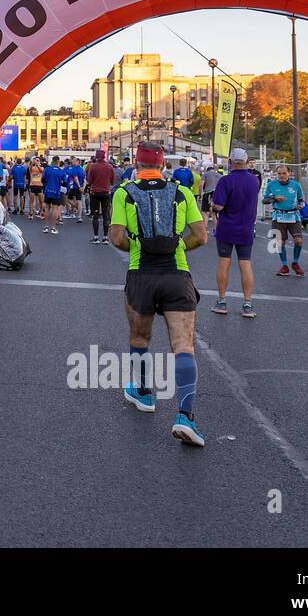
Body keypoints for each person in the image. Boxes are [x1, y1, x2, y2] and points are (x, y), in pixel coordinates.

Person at [110, 142, 209, 447]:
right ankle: (185, 417)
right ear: (164, 165)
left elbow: (116, 237)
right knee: (183, 345)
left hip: (141, 274)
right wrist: (179, 246)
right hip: (176, 274)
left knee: (140, 338)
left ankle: (142, 392)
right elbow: (201, 236)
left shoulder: (124, 192)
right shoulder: (182, 192)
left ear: (135, 164)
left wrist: (137, 247)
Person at [210, 147, 260, 319]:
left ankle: (222, 301)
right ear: (246, 161)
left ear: (230, 162)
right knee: (245, 264)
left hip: (227, 227)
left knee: (224, 263)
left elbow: (219, 206)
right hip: (246, 227)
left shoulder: (225, 180)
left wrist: (212, 204)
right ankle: (247, 304)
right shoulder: (254, 180)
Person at [263, 164, 306, 277]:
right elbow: (264, 200)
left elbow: (302, 200)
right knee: (280, 242)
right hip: (278, 216)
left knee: (298, 241)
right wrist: (274, 198)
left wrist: (301, 205)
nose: (281, 176)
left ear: (289, 174)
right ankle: (285, 265)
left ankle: (295, 263)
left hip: (293, 216)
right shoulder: (271, 185)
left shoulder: (296, 185)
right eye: (279, 173)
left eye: (284, 173)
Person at [85, 149, 116, 244]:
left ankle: (96, 237)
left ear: (96, 156)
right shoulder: (109, 167)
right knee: (106, 215)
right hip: (106, 192)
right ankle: (106, 237)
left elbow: (89, 181)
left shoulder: (93, 166)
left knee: (95, 215)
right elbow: (112, 181)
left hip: (95, 192)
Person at [42, 157, 66, 234]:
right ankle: (53, 228)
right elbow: (65, 183)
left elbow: (43, 180)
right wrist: (59, 182)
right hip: (56, 192)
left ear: (52, 161)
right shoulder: (61, 171)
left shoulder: (47, 169)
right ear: (58, 162)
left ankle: (46, 227)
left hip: (48, 191)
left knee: (47, 208)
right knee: (55, 209)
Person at [201, 164, 222, 233]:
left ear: (207, 170)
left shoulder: (205, 174)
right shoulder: (219, 175)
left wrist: (200, 194)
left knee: (205, 212)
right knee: (214, 213)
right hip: (217, 194)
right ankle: (215, 229)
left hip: (207, 193)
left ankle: (205, 229)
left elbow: (201, 185)